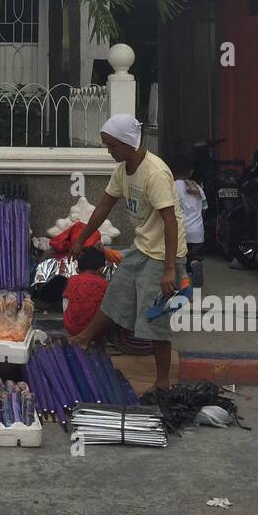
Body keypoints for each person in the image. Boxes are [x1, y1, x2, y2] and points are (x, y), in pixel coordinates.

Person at [69, 115, 188, 391]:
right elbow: (103, 207)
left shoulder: (155, 172)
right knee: (118, 293)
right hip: (143, 247)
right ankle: (84, 338)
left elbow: (170, 221)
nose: (108, 150)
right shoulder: (123, 169)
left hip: (164, 254)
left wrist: (170, 268)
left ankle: (162, 382)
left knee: (154, 315)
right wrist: (81, 239)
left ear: (128, 143)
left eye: (111, 145)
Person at [172, 157, 207, 288]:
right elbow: (204, 209)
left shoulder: (172, 186)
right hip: (197, 232)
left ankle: (182, 284)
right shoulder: (197, 188)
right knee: (194, 258)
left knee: (179, 260)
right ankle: (195, 264)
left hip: (180, 231)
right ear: (191, 172)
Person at [63, 245, 110, 337]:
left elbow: (65, 303)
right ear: (102, 269)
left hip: (71, 328)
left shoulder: (72, 280)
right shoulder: (105, 284)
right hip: (95, 333)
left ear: (78, 269)